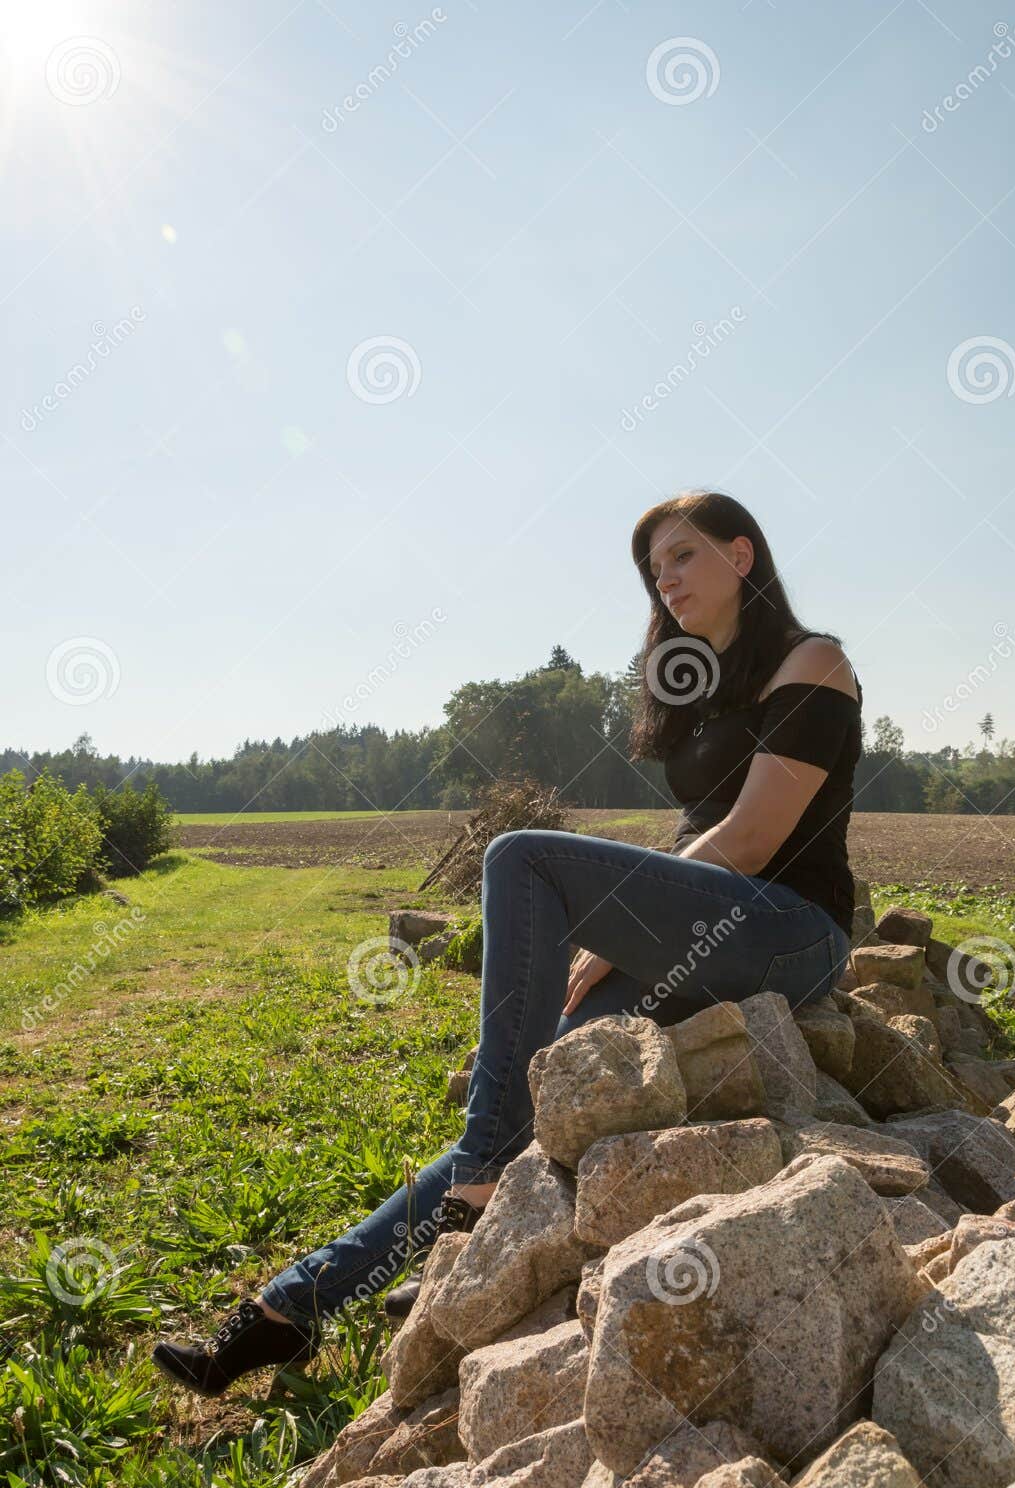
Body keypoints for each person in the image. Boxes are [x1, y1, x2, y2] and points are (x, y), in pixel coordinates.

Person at [151, 489, 863, 1397]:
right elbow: (698, 833)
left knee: (519, 856)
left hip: (786, 933)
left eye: (683, 556)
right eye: (655, 571)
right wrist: (633, 927)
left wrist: (614, 931)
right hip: (703, 931)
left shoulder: (813, 661)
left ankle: (477, 1185)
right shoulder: (699, 682)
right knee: (543, 1085)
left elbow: (754, 840)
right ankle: (292, 1310)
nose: (667, 581)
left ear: (741, 556)